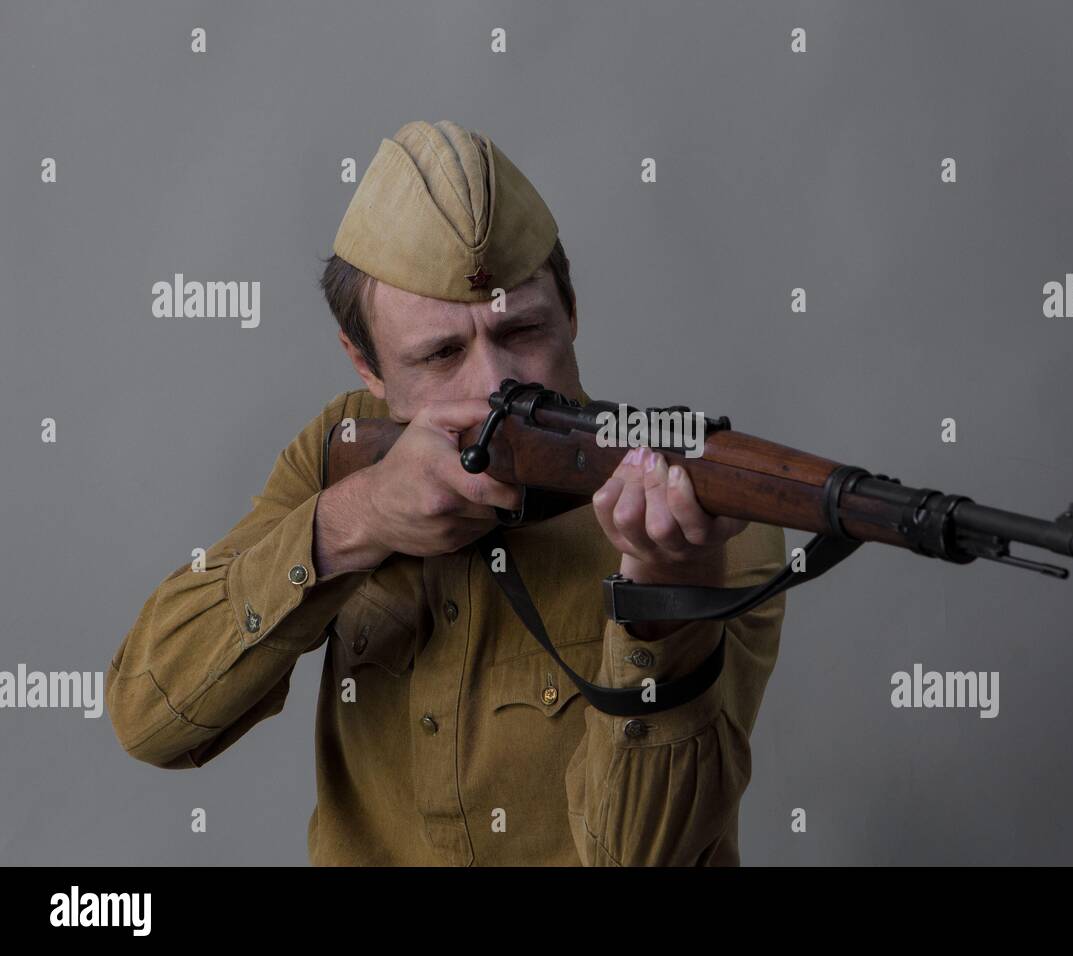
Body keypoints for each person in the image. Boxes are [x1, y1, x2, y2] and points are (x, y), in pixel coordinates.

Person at [106, 120, 787, 866]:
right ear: (365, 365)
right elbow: (150, 718)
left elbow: (647, 854)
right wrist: (356, 520)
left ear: (572, 313)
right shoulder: (341, 451)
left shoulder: (706, 509)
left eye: (523, 330)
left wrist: (662, 598)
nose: (495, 386)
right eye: (439, 353)